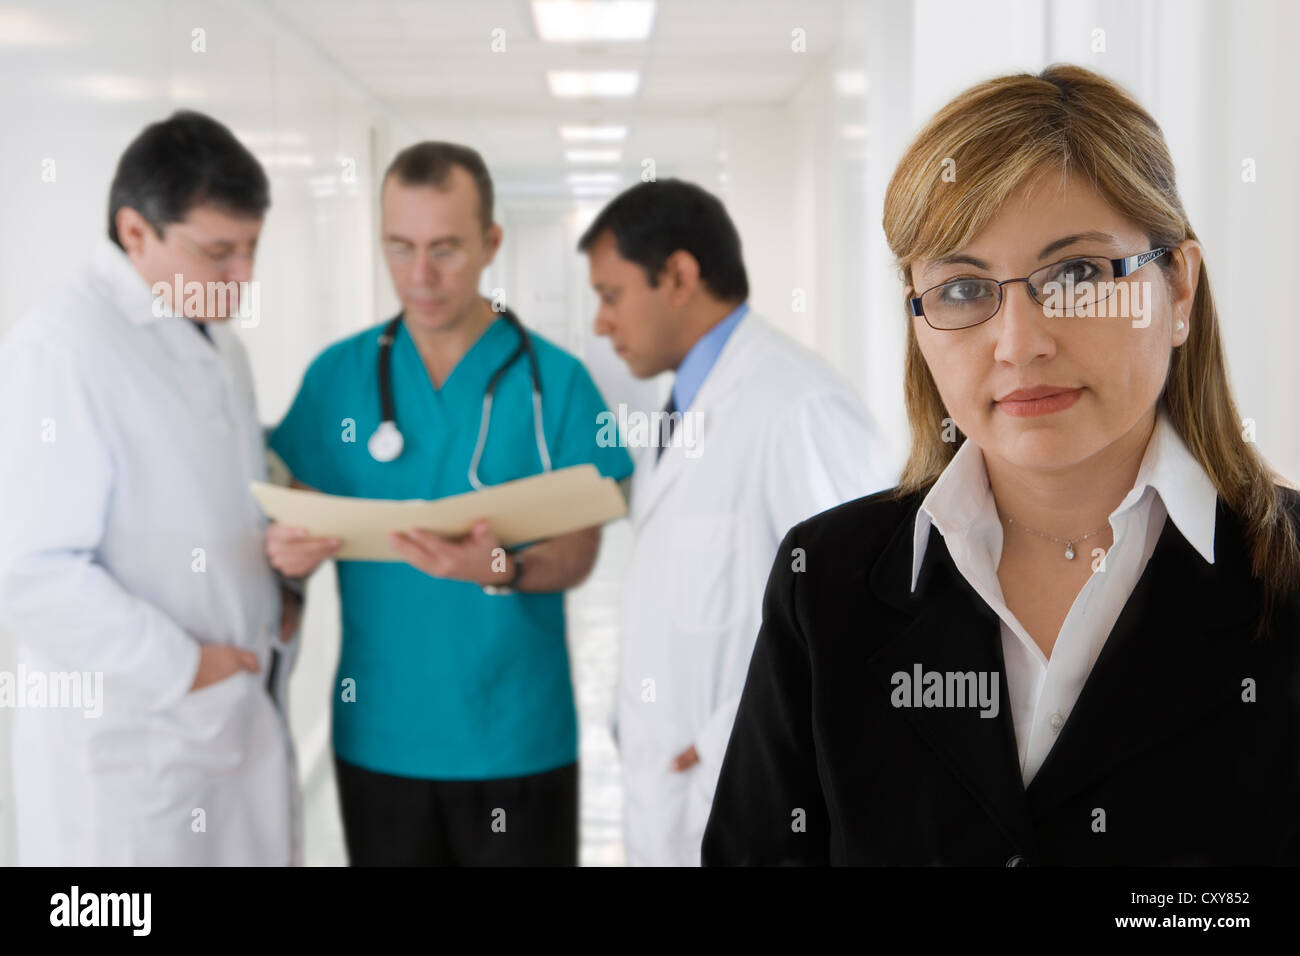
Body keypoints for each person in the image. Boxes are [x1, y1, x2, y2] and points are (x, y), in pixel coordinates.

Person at [702, 65, 1300, 866]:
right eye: (960, 289)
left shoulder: (1287, 577)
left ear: (1178, 288)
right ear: (919, 322)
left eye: (1080, 275)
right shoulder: (827, 582)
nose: (1020, 343)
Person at [265, 141, 633, 866]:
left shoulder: (552, 385)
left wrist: (499, 565)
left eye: (445, 250)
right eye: (399, 248)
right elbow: (292, 528)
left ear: (490, 243)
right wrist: (288, 558)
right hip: (380, 734)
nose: (420, 276)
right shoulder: (337, 378)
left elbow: (579, 552)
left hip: (516, 739)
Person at [0, 111, 302, 865]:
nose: (244, 278)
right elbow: (30, 574)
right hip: (136, 746)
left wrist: (281, 578)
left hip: (228, 715)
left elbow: (201, 501)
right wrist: (183, 668)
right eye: (218, 252)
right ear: (135, 233)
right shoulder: (62, 349)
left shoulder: (215, 340)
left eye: (253, 250)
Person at [580, 179, 895, 866]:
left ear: (679, 277)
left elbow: (864, 620)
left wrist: (732, 739)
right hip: (676, 788)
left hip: (740, 792)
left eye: (610, 295)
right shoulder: (683, 406)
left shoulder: (796, 405)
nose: (600, 322)